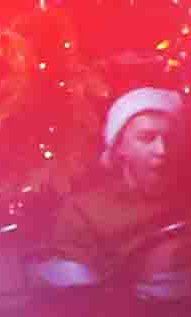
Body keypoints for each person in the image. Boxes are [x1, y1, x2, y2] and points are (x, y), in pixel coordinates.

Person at [48, 85, 182, 278]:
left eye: (170, 139)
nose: (162, 150)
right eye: (147, 138)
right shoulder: (82, 213)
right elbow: (78, 295)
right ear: (120, 148)